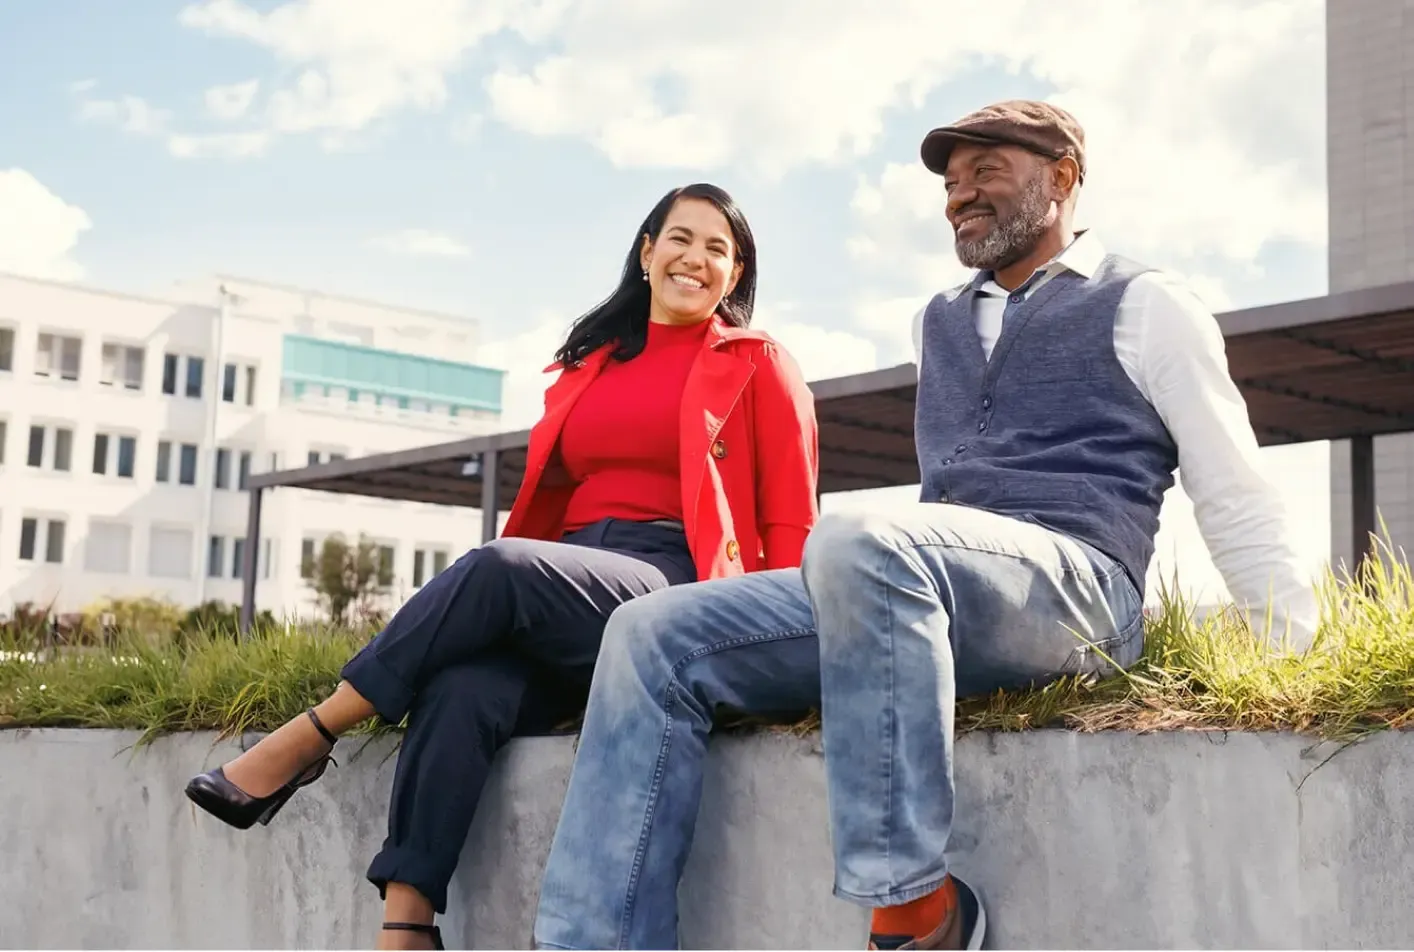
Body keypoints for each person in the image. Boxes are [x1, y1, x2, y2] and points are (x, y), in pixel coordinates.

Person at [531, 100, 1320, 951]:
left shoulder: (1146, 303)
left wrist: (1292, 654)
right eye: (951, 182)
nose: (960, 196)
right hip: (920, 589)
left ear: (1061, 179)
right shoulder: (936, 321)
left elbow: (1232, 485)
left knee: (862, 538)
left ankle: (916, 914)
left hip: (1081, 593)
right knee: (649, 630)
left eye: (987, 172)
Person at [183, 182, 821, 951]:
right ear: (647, 251)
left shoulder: (758, 363)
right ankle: (406, 924)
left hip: (672, 582)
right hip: (573, 580)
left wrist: (779, 649)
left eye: (720, 249)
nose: (697, 259)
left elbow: (790, 515)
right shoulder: (587, 365)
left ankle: (310, 735)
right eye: (681, 239)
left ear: (737, 272)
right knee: (460, 688)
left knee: (499, 567)